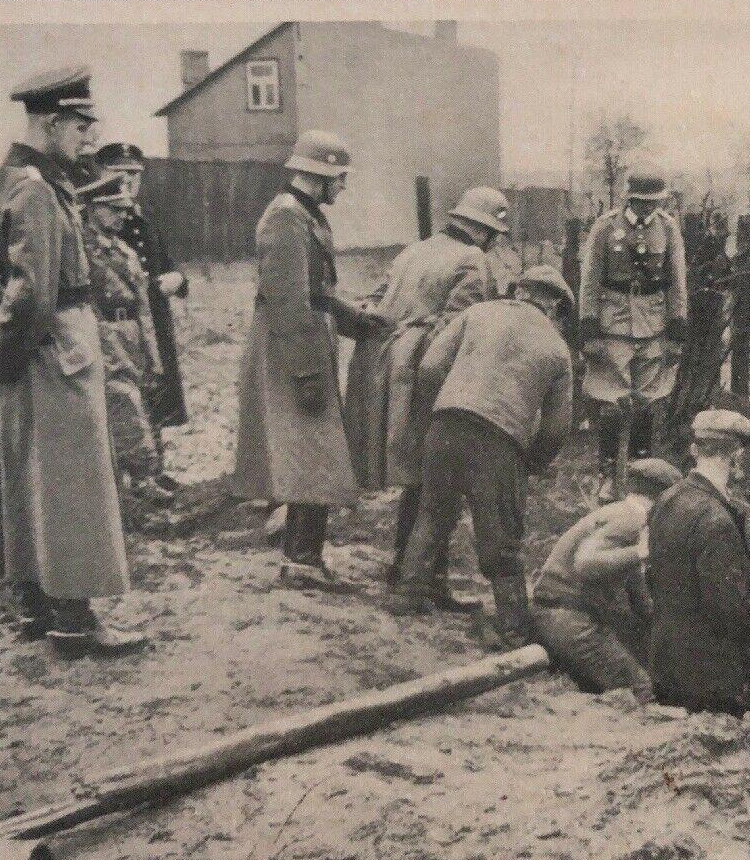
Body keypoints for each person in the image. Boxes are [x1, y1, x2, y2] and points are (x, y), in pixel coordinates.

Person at [0, 66, 142, 656]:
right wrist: (10, 357)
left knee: (35, 485)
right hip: (55, 353)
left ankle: (40, 612)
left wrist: (2, 357)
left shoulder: (21, 180)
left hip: (39, 353)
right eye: (79, 127)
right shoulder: (35, 189)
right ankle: (73, 621)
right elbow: (32, 296)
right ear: (50, 123)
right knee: (71, 488)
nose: (87, 139)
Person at [230, 130, 392, 592]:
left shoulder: (303, 214)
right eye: (339, 177)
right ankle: (300, 561)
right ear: (318, 175)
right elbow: (289, 302)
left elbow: (318, 295)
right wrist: (305, 371)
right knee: (309, 448)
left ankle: (303, 554)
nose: (343, 187)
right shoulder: (285, 219)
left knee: (313, 447)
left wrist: (357, 321)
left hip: (305, 339)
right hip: (289, 346)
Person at [386, 265, 575, 649]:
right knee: (501, 534)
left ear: (520, 290)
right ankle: (512, 626)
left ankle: (408, 592)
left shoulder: (477, 313)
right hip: (499, 440)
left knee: (432, 511)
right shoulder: (557, 348)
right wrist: (533, 461)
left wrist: (442, 409)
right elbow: (557, 427)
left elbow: (431, 367)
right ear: (554, 305)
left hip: (446, 424)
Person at [344, 186, 508, 606]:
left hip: (385, 365)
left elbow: (375, 304)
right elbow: (455, 332)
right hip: (424, 374)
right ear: (486, 230)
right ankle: (420, 578)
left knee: (420, 476)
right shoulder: (473, 261)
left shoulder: (413, 251)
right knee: (437, 475)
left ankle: (413, 569)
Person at [644, 408, 750, 714]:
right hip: (708, 676)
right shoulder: (716, 520)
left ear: (694, 451)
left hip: (665, 662)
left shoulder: (668, 499)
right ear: (738, 458)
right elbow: (728, 612)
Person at [530, 457, 684, 700]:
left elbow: (639, 597)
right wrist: (641, 553)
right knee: (641, 690)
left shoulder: (623, 514)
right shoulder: (632, 519)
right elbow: (585, 564)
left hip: (561, 615)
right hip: (568, 618)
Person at [579, 166, 688, 500]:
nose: (645, 207)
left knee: (646, 403)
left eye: (652, 201)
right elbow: (590, 280)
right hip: (614, 324)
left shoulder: (668, 228)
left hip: (653, 326)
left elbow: (677, 282)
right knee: (611, 401)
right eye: (640, 201)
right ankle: (609, 475)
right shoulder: (605, 227)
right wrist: (590, 331)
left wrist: (676, 332)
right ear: (628, 197)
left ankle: (641, 474)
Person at [78, 173, 175, 504]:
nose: (123, 216)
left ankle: (137, 484)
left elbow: (143, 306)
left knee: (137, 403)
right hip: (103, 335)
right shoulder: (80, 250)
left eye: (124, 210)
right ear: (91, 209)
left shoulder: (124, 251)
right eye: (114, 210)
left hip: (132, 335)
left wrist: (152, 354)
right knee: (121, 404)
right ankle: (135, 483)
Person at [95, 142, 191, 435]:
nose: (129, 180)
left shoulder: (145, 216)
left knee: (156, 385)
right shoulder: (102, 218)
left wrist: (179, 279)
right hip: (126, 320)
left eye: (135, 174)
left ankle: (156, 465)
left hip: (155, 318)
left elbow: (166, 261)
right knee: (126, 393)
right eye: (120, 173)